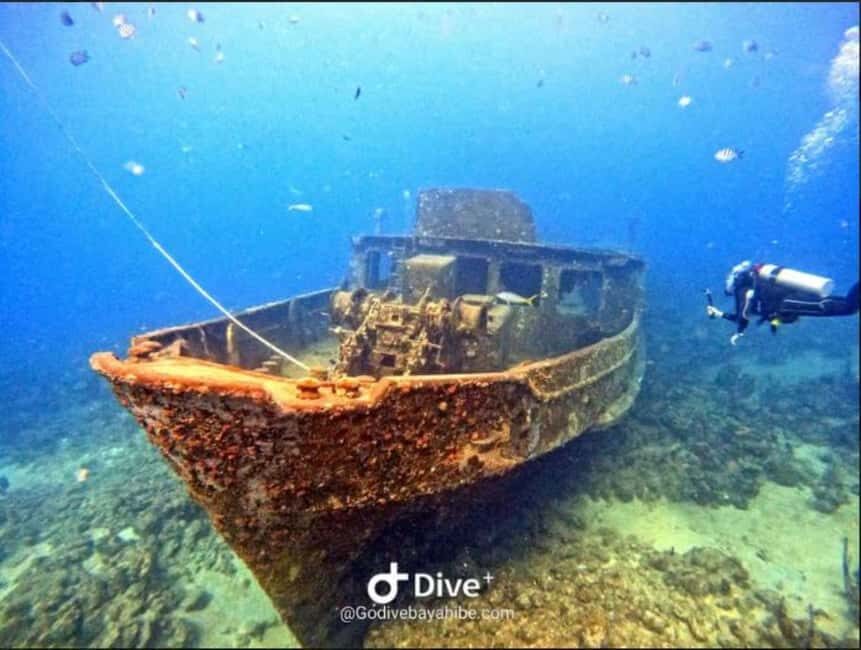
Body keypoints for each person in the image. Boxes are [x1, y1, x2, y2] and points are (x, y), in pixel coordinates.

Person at [706, 260, 859, 345]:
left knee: (849, 307)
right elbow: (744, 316)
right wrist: (719, 314)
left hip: (789, 303)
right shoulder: (753, 287)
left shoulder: (743, 290)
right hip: (790, 302)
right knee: (849, 306)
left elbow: (742, 318)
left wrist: (738, 332)